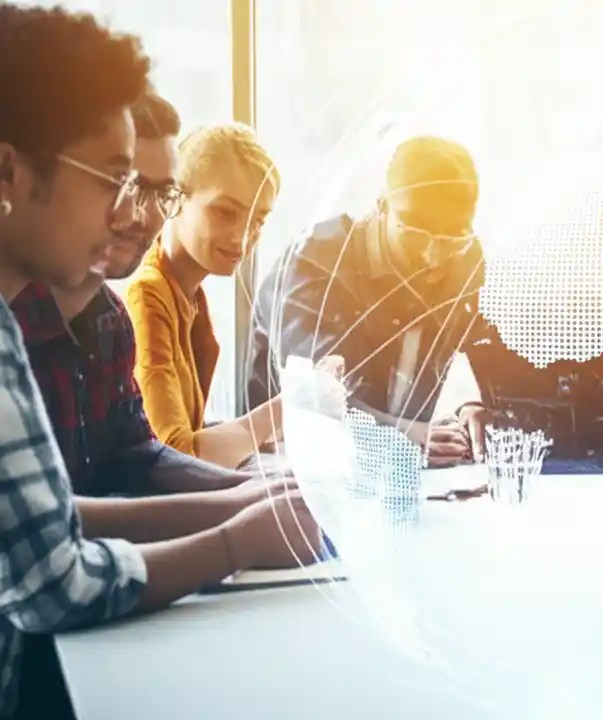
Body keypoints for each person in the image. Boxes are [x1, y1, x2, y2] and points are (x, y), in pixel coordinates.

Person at [0, 8, 319, 717]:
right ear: (10, 171)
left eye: (149, 190)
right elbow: (53, 578)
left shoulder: (103, 315)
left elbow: (88, 488)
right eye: (112, 180)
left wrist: (243, 498)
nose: (129, 215)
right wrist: (235, 534)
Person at [11, 89, 256, 500]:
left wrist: (253, 491)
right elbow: (50, 517)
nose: (141, 214)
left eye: (164, 194)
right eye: (126, 185)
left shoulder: (112, 318)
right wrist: (235, 513)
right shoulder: (15, 320)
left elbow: (139, 454)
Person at [248, 135, 488, 465]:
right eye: (415, 234)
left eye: (452, 239)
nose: (433, 257)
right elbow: (314, 400)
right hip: (286, 464)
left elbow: (469, 349)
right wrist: (406, 436)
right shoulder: (313, 265)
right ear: (381, 206)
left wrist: (470, 405)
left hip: (403, 471)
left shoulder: (463, 258)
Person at [125, 122, 285, 469]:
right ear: (176, 198)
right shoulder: (147, 294)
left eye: (258, 220)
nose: (243, 239)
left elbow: (188, 433)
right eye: (225, 213)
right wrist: (280, 411)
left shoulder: (188, 294)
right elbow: (173, 456)